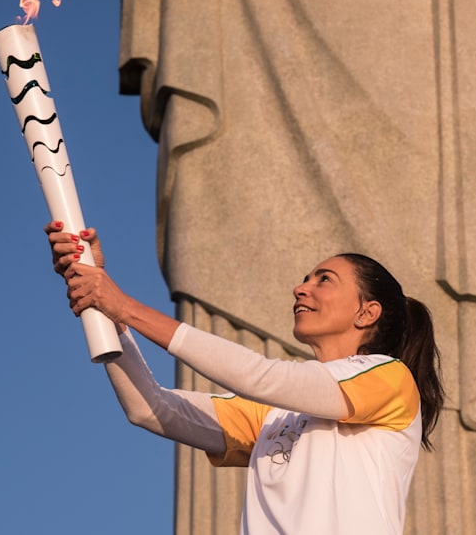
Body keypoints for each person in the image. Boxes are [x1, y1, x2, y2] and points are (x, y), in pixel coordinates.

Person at [45, 221, 445, 534]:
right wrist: (104, 309)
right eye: (307, 278)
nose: (301, 288)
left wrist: (125, 306)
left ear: (367, 312)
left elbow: (262, 377)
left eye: (324, 279)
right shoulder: (275, 416)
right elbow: (151, 409)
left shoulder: (390, 380)